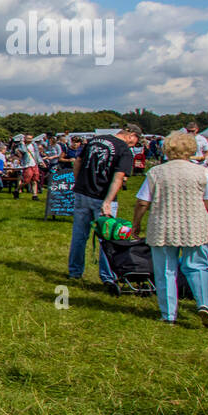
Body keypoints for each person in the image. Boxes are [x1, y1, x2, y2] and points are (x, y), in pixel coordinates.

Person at [130, 132, 208, 326]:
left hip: (163, 226)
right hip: (196, 226)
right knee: (197, 266)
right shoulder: (202, 172)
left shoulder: (156, 172)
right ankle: (203, 304)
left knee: (165, 270)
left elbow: (142, 202)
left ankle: (168, 314)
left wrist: (136, 224)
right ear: (191, 149)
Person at [68, 123, 141, 290]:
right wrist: (108, 202)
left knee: (79, 235)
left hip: (82, 193)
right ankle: (107, 276)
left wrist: (79, 182)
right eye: (135, 142)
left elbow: (77, 162)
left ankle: (75, 271)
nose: (134, 145)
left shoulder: (95, 141)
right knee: (107, 238)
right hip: (102, 197)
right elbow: (118, 178)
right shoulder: (124, 150)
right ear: (131, 135)